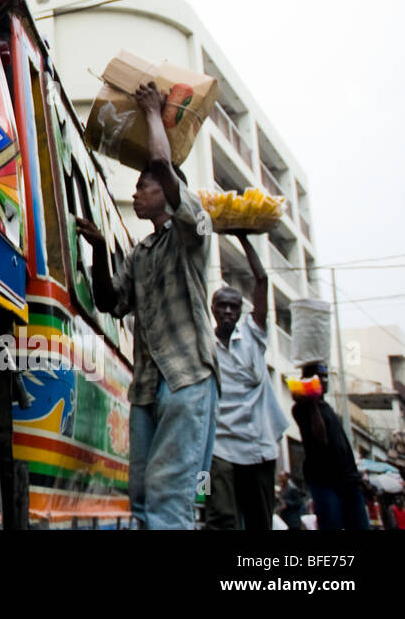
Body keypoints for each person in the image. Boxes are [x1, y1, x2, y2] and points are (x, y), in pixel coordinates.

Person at [77, 81, 218, 530]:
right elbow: (108, 301)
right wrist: (99, 250)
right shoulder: (142, 253)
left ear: (168, 190)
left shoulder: (193, 230)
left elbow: (161, 161)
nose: (136, 194)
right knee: (140, 502)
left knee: (167, 499)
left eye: (143, 187)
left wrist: (154, 113)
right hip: (148, 389)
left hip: (186, 379)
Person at [203, 233, 289, 530]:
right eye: (222, 306)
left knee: (260, 521)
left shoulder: (253, 335)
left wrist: (242, 237)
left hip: (258, 447)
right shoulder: (205, 346)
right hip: (219, 448)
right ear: (213, 309)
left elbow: (262, 281)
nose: (228, 311)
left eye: (234, 307)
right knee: (219, 517)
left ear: (241, 311)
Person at [290, 361, 370, 530]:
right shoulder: (302, 409)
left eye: (326, 376)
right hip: (325, 483)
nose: (325, 380)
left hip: (349, 482)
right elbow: (320, 437)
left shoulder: (328, 408)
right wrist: (311, 398)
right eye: (320, 376)